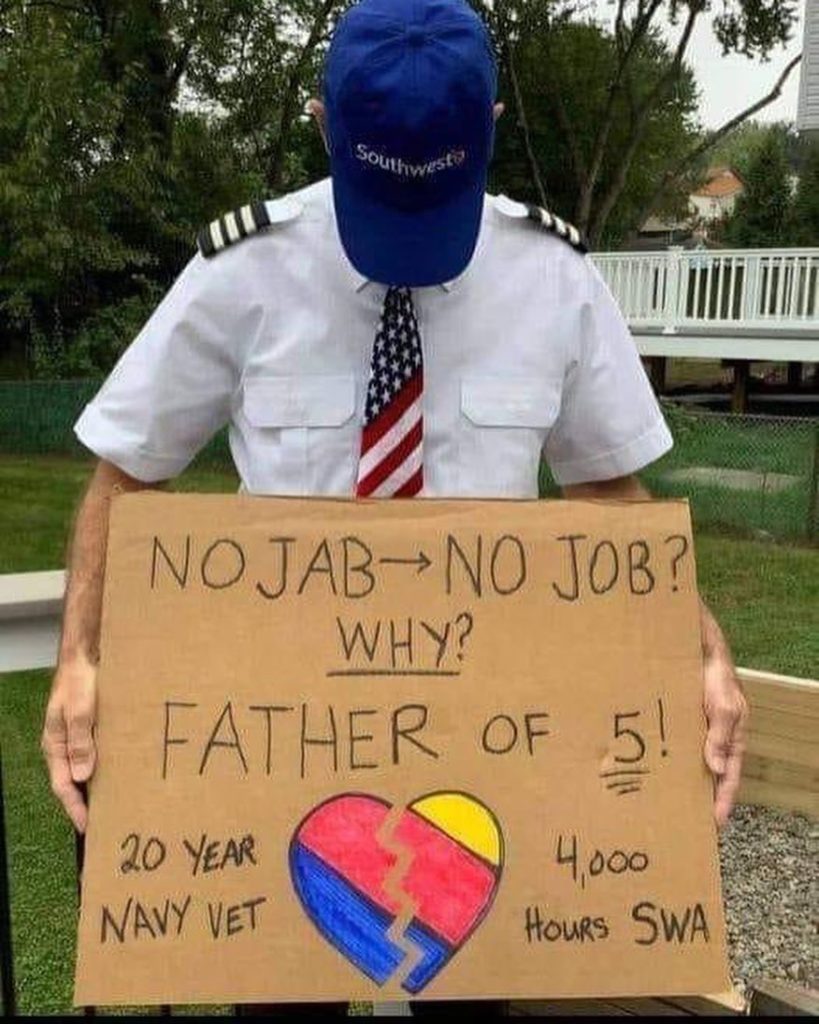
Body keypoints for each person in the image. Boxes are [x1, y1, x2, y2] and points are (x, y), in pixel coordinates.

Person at [41, 0, 748, 1015]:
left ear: (492, 127)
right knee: (281, 997)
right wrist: (80, 658)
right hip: (273, 740)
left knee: (474, 992)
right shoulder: (242, 271)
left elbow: (611, 496)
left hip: (492, 744)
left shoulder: (553, 280)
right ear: (326, 127)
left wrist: (700, 649)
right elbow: (124, 473)